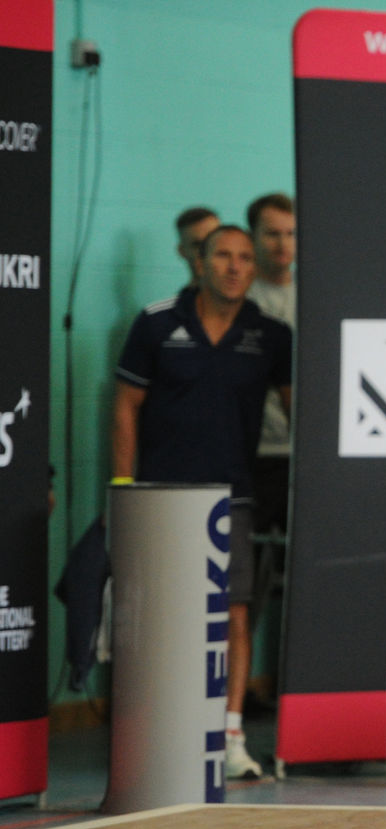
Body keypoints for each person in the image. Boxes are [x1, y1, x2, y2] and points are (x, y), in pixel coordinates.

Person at [111, 224, 293, 778]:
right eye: (223, 256)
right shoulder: (156, 321)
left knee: (234, 614)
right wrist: (123, 490)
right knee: (159, 618)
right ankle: (155, 738)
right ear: (201, 261)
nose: (234, 267)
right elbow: (125, 407)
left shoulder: (272, 335)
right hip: (159, 499)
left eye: (244, 258)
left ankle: (231, 736)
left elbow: (298, 412)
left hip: (232, 497)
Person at [245, 193, 296, 537]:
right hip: (254, 453)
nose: (283, 244)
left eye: (291, 233)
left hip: (302, 455)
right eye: (272, 233)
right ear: (253, 236)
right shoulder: (238, 299)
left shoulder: (318, 294)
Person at [174, 206, 221, 290]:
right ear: (182, 251)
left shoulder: (250, 302)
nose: (207, 251)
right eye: (198, 245)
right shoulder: (172, 304)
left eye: (214, 242)